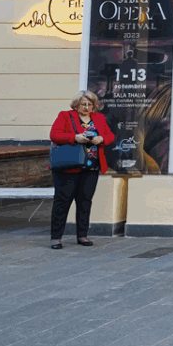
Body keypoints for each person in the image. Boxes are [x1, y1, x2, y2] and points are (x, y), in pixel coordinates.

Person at [48, 91, 115, 250]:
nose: (86, 107)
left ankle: (82, 235)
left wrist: (102, 139)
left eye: (89, 104)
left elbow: (110, 136)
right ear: (76, 105)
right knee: (62, 201)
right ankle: (56, 238)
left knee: (85, 201)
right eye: (83, 104)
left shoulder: (99, 118)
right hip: (68, 166)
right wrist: (74, 137)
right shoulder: (65, 116)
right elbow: (54, 135)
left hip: (91, 167)